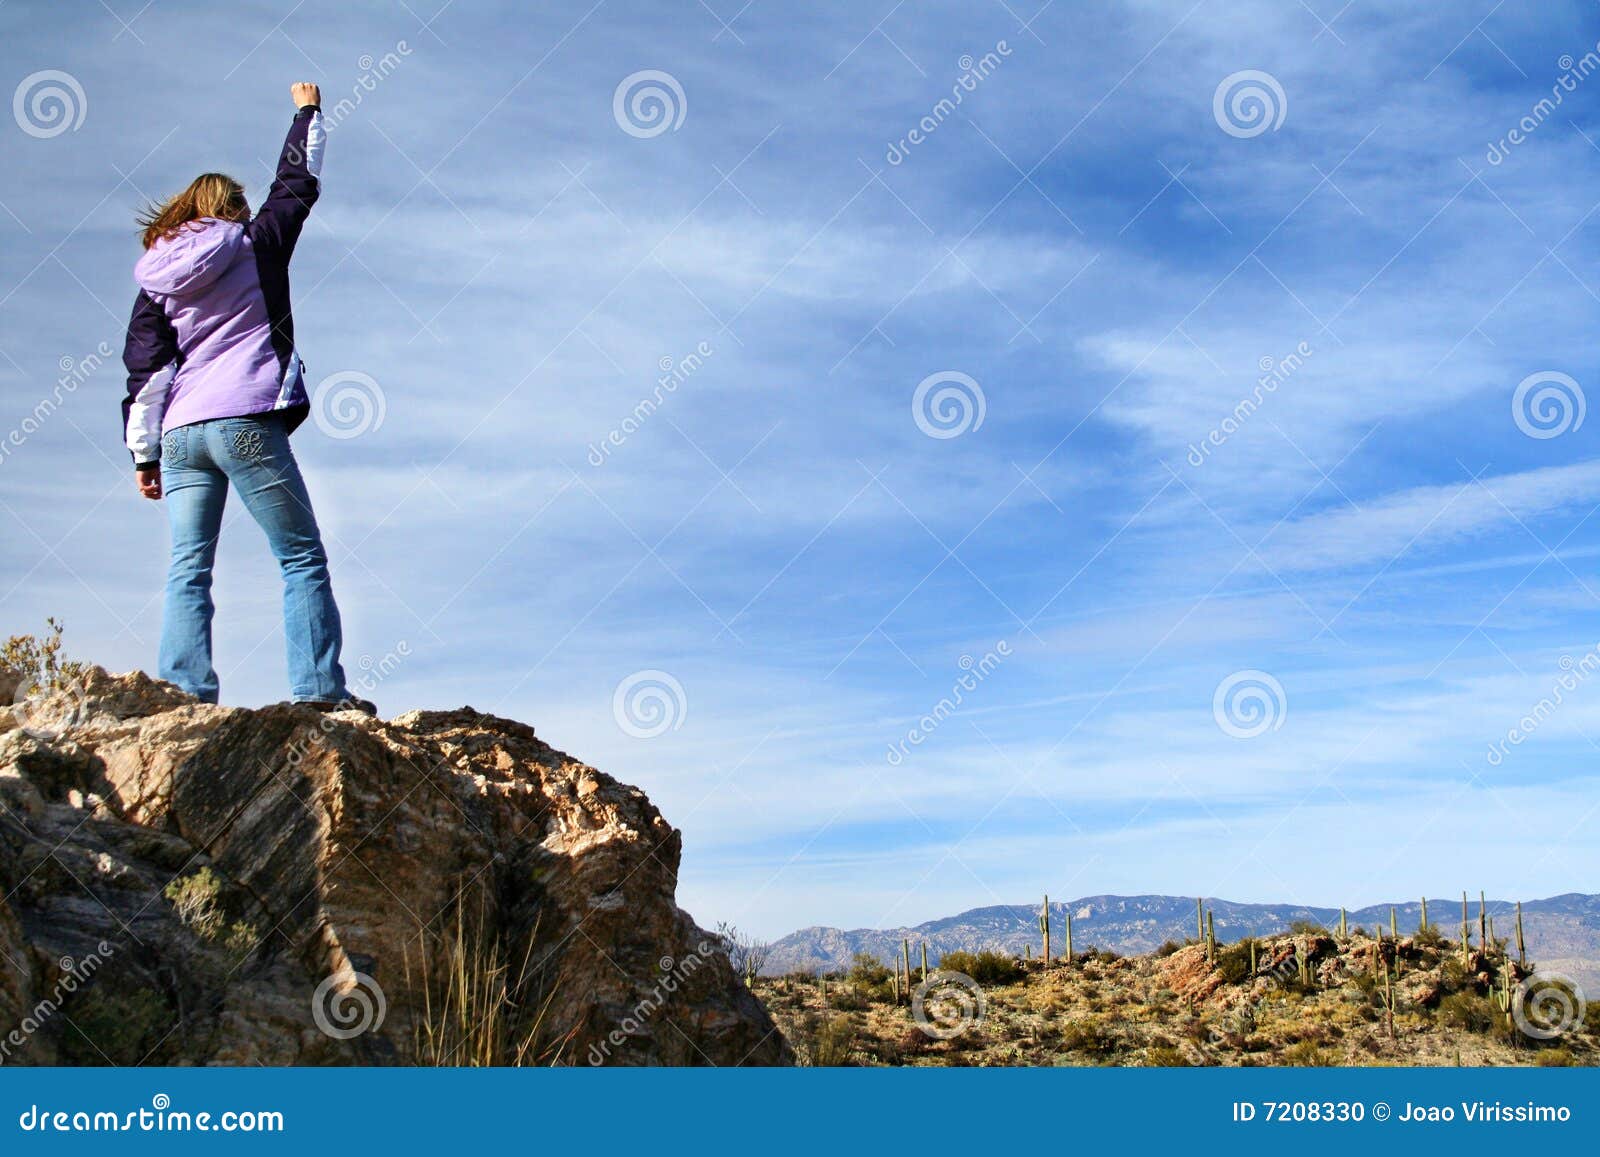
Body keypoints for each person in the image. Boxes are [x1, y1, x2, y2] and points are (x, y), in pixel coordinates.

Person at [120, 82, 373, 714]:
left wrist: (144, 456)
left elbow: (145, 369)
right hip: (246, 418)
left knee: (188, 568)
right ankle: (319, 696)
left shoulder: (156, 279)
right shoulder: (255, 246)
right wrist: (307, 113)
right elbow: (296, 186)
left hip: (180, 435)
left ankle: (182, 694)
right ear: (231, 209)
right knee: (300, 558)